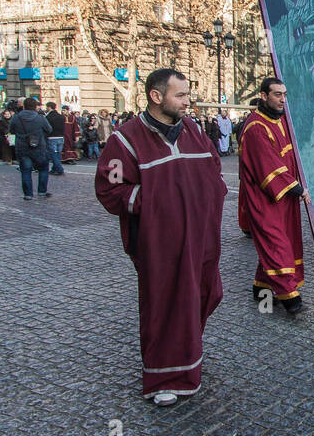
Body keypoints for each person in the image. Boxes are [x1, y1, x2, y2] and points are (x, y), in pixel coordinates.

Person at [95, 68, 226, 406]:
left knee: (200, 296)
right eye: (180, 95)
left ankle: (188, 357)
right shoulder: (124, 139)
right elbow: (110, 190)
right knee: (166, 306)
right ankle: (164, 377)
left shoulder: (195, 131)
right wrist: (156, 201)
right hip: (160, 244)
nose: (187, 101)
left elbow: (213, 169)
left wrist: (210, 194)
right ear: (156, 97)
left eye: (187, 94)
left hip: (201, 239)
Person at [240, 77, 310, 310]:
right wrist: (298, 189)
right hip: (265, 199)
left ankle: (261, 288)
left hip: (284, 196)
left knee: (283, 241)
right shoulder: (255, 127)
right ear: (263, 95)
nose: (282, 99)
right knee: (276, 242)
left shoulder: (281, 121)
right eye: (277, 94)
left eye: (284, 94)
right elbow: (268, 166)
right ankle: (288, 294)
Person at [10, 96, 53, 200]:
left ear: (24, 106)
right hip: (38, 147)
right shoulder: (40, 118)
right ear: (35, 106)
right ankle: (42, 191)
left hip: (22, 147)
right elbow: (49, 129)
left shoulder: (16, 117)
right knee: (43, 169)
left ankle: (28, 194)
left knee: (25, 171)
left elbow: (11, 130)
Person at [44, 101, 66, 175]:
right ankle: (54, 168)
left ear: (49, 107)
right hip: (61, 137)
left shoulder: (48, 117)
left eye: (46, 107)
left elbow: (47, 128)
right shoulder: (61, 116)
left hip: (52, 137)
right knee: (58, 154)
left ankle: (59, 168)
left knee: (53, 154)